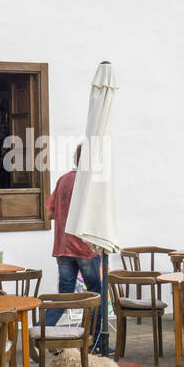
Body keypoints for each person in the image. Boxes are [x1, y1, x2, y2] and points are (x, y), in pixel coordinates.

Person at [44, 144, 103, 339]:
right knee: (95, 295)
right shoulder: (91, 182)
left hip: (62, 247)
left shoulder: (63, 180)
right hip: (85, 247)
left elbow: (50, 212)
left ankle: (39, 331)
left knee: (64, 297)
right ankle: (95, 339)